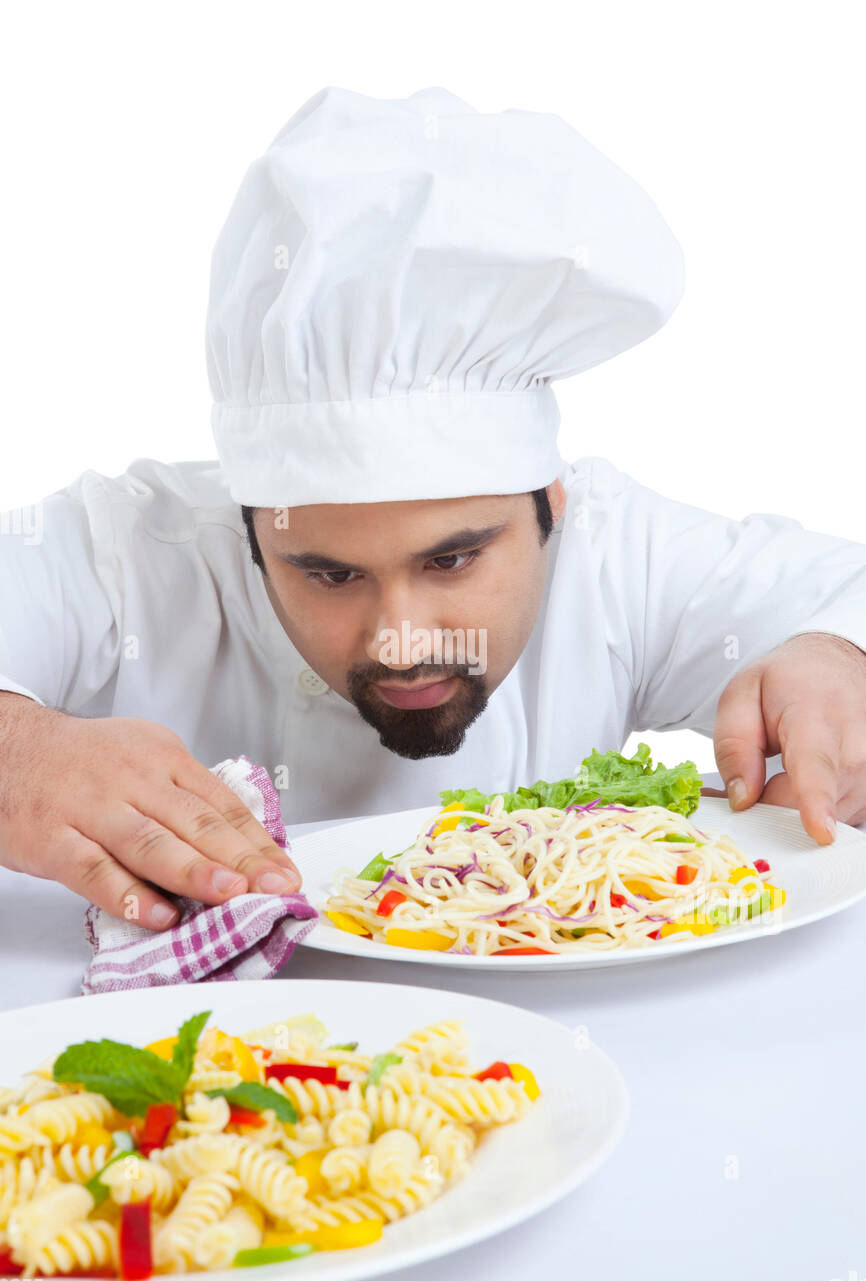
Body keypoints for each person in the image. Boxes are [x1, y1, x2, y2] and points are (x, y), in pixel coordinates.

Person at [2, 87, 866, 936]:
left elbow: (842, 595)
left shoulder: (617, 558)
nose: (402, 638)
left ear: (551, 508)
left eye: (450, 560)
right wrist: (20, 753)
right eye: (330, 573)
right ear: (250, 535)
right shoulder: (126, 551)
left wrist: (839, 657)